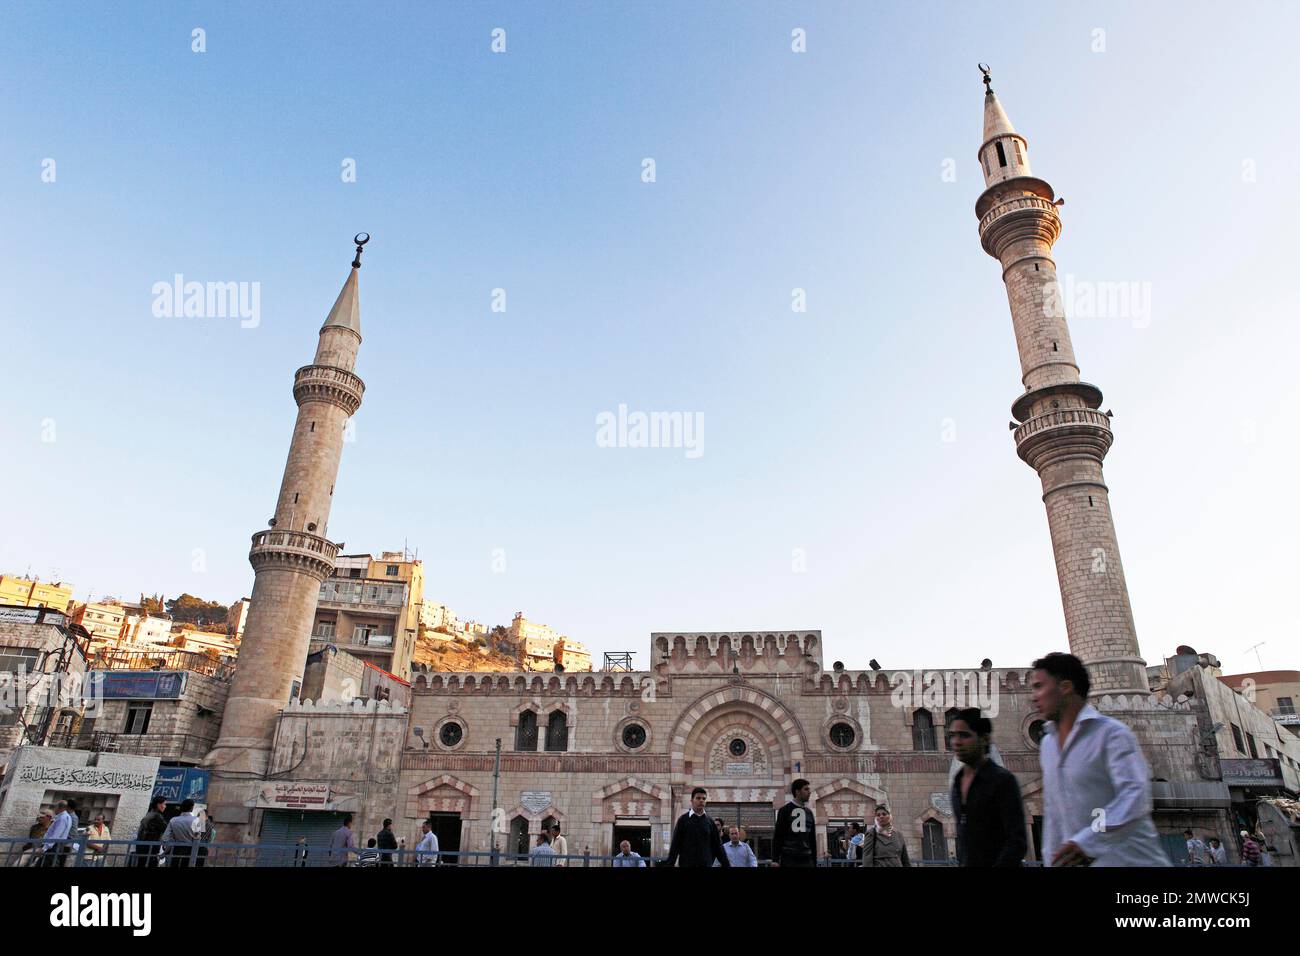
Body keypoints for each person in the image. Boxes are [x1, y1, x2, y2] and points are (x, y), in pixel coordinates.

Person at [1031, 652, 1170, 867]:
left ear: (1066, 687)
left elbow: (1134, 796)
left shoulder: (1111, 735)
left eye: (1040, 686)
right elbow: (1054, 815)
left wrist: (1088, 841)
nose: (1034, 696)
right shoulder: (1048, 745)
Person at [948, 709, 1028, 867]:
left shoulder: (1002, 781)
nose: (956, 742)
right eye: (952, 736)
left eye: (964, 735)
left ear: (984, 739)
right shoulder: (957, 782)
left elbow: (1017, 842)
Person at [665, 787, 729, 867]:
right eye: (698, 798)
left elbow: (718, 847)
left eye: (704, 799)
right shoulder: (683, 820)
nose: (701, 800)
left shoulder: (710, 822)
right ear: (692, 800)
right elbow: (675, 846)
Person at [773, 778, 816, 867]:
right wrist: (775, 860)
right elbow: (778, 836)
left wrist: (814, 861)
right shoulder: (785, 810)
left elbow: (812, 839)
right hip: (789, 859)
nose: (809, 792)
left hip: (806, 860)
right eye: (806, 789)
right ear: (797, 792)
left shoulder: (809, 813)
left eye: (809, 789)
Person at [163, 799, 200, 867]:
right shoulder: (197, 820)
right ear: (192, 808)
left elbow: (166, 837)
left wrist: (166, 850)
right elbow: (197, 838)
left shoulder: (173, 820)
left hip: (176, 849)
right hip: (190, 851)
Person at [42, 800, 78, 867]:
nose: (54, 809)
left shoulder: (63, 818)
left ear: (59, 807)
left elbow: (56, 835)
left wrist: (45, 848)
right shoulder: (66, 817)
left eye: (55, 807)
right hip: (57, 845)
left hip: (54, 846)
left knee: (48, 863)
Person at [134, 797, 168, 868]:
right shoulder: (157, 816)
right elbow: (166, 829)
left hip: (142, 847)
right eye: (164, 804)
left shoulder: (149, 814)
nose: (165, 806)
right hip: (150, 848)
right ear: (158, 805)